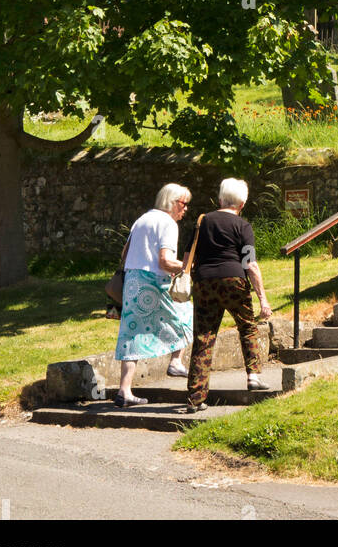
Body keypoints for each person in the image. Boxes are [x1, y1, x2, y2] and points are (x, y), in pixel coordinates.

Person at [185, 177, 272, 412]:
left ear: (220, 198)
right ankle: (253, 377)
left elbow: (187, 258)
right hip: (234, 279)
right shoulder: (242, 226)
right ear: (242, 204)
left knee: (204, 337)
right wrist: (262, 297)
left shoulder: (202, 221)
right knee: (247, 327)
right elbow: (250, 264)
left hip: (204, 281)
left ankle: (195, 397)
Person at [113, 183, 194, 407]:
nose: (185, 209)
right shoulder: (167, 223)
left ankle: (124, 391)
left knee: (132, 334)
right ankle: (176, 362)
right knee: (186, 313)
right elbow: (165, 261)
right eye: (183, 203)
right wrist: (188, 268)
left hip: (132, 282)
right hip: (153, 282)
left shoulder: (142, 219)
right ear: (171, 202)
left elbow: (125, 253)